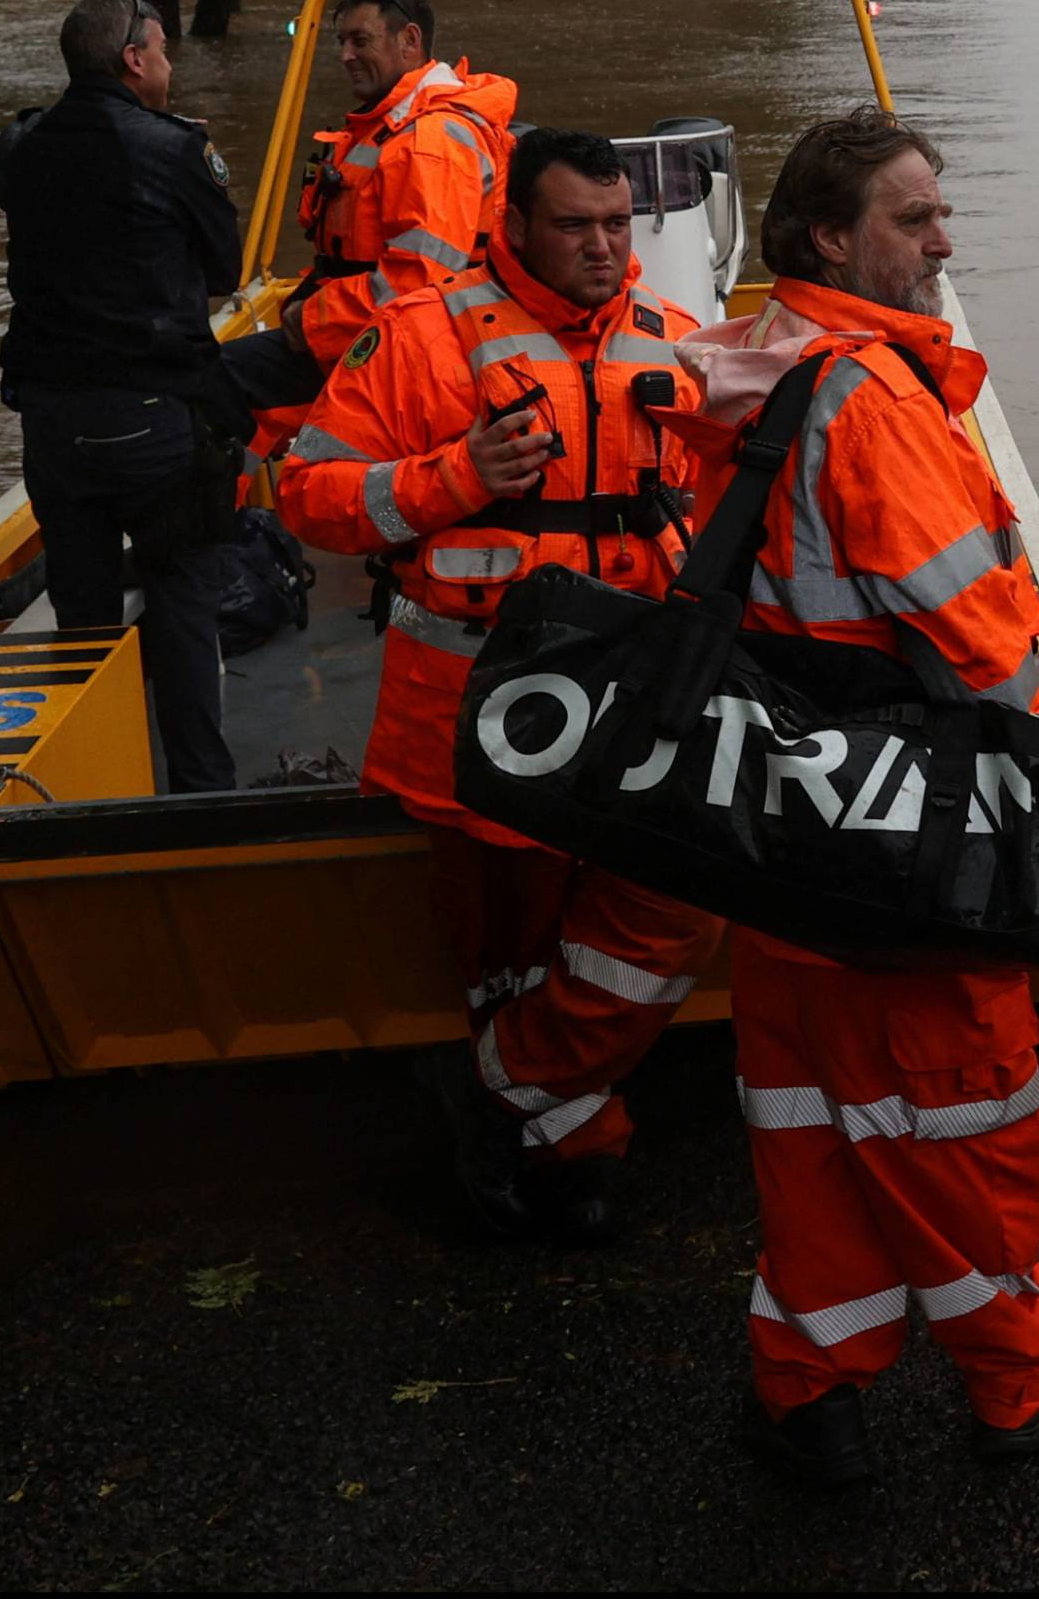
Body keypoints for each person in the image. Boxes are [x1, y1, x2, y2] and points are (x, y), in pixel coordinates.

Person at [660, 107, 1039, 1487]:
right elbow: (990, 656)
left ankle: (810, 1392)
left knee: (807, 1129)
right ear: (831, 239)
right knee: (964, 1118)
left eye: (941, 211)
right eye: (914, 217)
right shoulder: (878, 401)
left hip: (778, 832)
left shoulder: (752, 366)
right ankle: (1013, 1389)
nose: (944, 240)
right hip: (903, 836)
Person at [272, 125, 719, 1240]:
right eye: (574, 226)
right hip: (472, 722)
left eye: (617, 224)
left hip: (631, 712)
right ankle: (567, 1143)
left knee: (664, 915)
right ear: (513, 225)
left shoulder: (679, 342)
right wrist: (456, 477)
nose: (605, 248)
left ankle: (499, 1099)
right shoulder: (419, 338)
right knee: (508, 960)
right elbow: (310, 495)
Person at [0, 0, 248, 794]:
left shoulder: (21, 144)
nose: (169, 64)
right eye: (163, 51)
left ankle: (93, 786)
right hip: (153, 418)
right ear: (133, 60)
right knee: (183, 598)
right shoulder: (175, 150)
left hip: (51, 421)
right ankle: (201, 792)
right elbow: (225, 270)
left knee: (83, 615)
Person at [272, 0, 519, 390]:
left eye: (360, 41)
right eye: (342, 42)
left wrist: (311, 319)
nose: (346, 55)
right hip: (369, 327)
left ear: (409, 40)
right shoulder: (389, 125)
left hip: (406, 356)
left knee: (217, 377)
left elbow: (418, 286)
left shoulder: (430, 142)